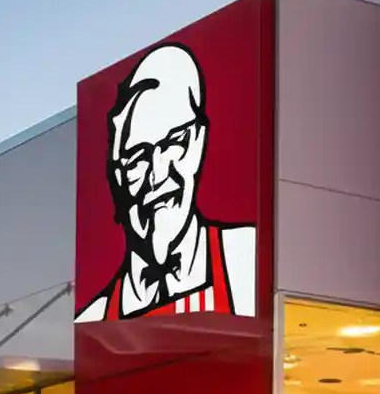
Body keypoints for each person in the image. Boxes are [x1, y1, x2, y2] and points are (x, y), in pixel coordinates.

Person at [76, 43, 256, 322]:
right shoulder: (92, 322)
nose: (158, 174)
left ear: (198, 144)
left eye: (174, 143)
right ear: (118, 176)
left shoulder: (248, 260)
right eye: (138, 158)